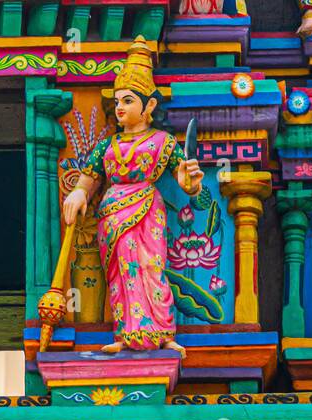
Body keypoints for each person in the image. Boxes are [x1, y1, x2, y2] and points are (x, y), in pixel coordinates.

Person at [62, 37, 203, 356]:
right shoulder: (106, 146)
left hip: (147, 210)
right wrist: (78, 194)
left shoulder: (163, 142)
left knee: (151, 267)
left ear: (149, 105)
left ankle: (163, 332)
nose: (121, 107)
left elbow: (188, 183)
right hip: (113, 215)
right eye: (118, 101)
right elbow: (88, 180)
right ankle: (126, 333)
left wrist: (190, 182)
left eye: (128, 100)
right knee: (123, 271)